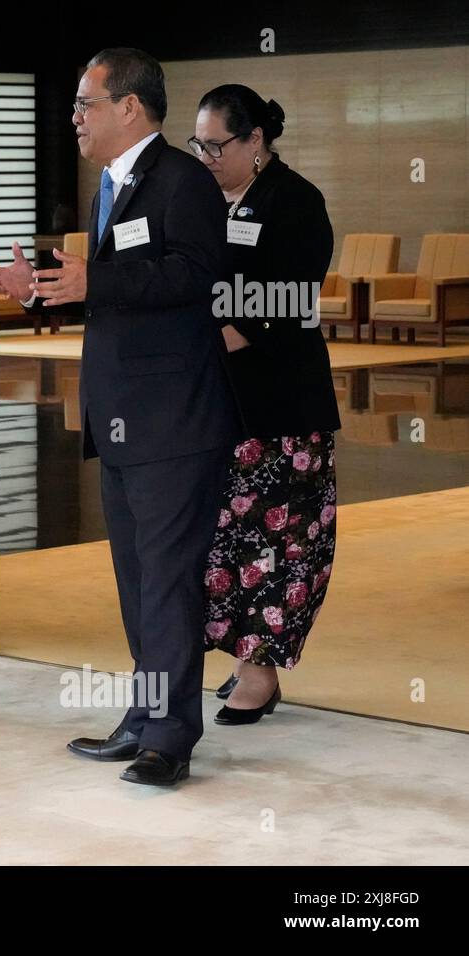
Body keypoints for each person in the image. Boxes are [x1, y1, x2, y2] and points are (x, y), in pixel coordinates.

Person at [0, 49, 237, 787]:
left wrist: (98, 275)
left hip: (174, 421)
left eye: (85, 104)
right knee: (136, 577)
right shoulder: (110, 184)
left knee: (166, 579)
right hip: (124, 416)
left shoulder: (182, 180)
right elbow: (117, 293)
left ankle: (172, 738)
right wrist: (43, 288)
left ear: (129, 107)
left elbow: (196, 272)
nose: (75, 119)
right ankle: (144, 714)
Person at [189, 85, 341, 724]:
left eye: (217, 145)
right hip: (218, 398)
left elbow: (290, 297)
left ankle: (261, 670)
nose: (206, 157)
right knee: (225, 537)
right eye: (198, 145)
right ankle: (241, 657)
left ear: (255, 142)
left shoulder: (295, 200)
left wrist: (217, 328)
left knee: (277, 539)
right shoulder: (204, 199)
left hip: (282, 406)